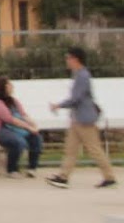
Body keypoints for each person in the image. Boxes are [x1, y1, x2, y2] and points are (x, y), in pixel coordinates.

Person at [47, 46, 117, 189]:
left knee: (94, 149)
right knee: (70, 149)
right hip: (77, 119)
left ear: (75, 59)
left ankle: (109, 177)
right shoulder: (78, 74)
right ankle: (63, 176)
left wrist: (58, 105)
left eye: (68, 58)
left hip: (84, 119)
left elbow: (76, 98)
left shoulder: (83, 76)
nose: (66, 61)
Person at [0, 76, 42, 177]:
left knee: (36, 137)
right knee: (18, 142)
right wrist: (28, 128)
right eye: (10, 84)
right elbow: (9, 119)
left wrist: (34, 125)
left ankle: (32, 168)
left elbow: (23, 115)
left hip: (16, 128)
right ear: (4, 87)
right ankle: (12, 169)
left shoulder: (14, 101)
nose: (12, 87)